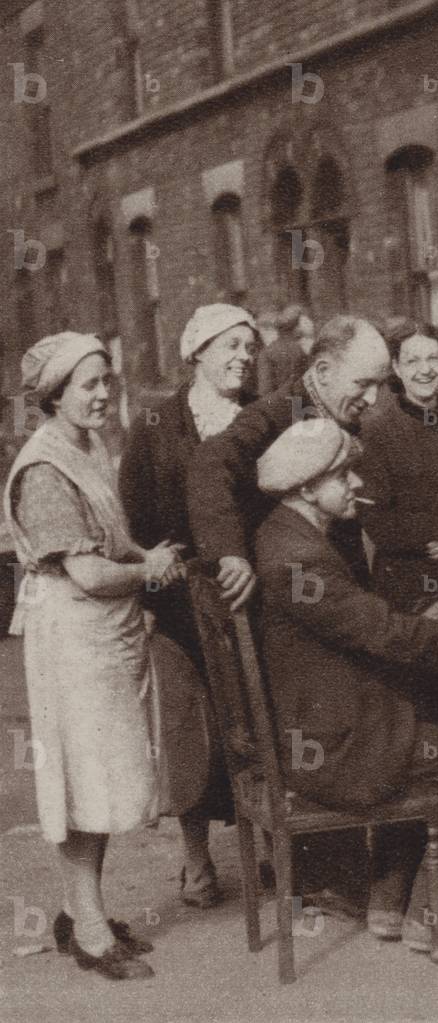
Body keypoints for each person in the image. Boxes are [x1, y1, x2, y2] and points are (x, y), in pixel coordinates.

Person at [253, 416, 438, 951]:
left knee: (425, 727)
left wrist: (431, 619)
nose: (358, 484)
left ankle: (388, 906)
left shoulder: (282, 535)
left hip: (326, 727)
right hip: (335, 746)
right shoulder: (299, 560)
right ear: (306, 488)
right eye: (344, 476)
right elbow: (386, 635)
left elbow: (362, 621)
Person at [3, 333, 183, 980]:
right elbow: (86, 573)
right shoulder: (45, 466)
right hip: (73, 640)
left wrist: (141, 554)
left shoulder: (89, 444)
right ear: (54, 395)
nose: (103, 392)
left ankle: (82, 909)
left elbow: (111, 541)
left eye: (106, 379)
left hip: (107, 637)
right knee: (82, 783)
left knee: (103, 783)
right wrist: (151, 572)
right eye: (88, 384)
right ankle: (87, 926)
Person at [119, 304, 261, 909]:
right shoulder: (157, 417)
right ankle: (196, 858)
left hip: (241, 597)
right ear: (197, 352)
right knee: (186, 729)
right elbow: (130, 504)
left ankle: (262, 851)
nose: (241, 358)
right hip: (175, 602)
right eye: (229, 346)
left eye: (248, 348)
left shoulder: (257, 418)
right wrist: (150, 559)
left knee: (252, 722)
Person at [187, 315, 391, 609]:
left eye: (380, 385)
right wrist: (229, 553)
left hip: (335, 590)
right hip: (290, 599)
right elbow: (209, 461)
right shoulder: (273, 412)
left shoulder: (343, 411)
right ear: (322, 371)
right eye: (363, 383)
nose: (372, 398)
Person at [358, 321, 438, 610]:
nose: (425, 370)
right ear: (396, 367)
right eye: (412, 361)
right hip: (407, 586)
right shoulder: (376, 430)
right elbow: (375, 520)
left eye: (433, 358)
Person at [254, 304, 312, 396]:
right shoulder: (301, 351)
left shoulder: (267, 353)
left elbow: (265, 390)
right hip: (298, 406)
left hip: (276, 406)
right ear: (297, 328)